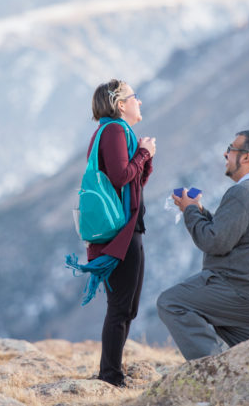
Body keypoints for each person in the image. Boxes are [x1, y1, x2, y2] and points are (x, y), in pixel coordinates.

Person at [157, 130, 249, 360]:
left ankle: (215, 373)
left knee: (171, 302)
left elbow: (213, 241)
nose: (225, 153)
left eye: (231, 149)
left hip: (246, 291)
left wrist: (190, 210)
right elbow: (230, 231)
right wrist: (199, 212)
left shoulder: (243, 192)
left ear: (246, 157)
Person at [71, 79, 156, 387]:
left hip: (127, 227)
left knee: (127, 306)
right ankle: (110, 377)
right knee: (121, 306)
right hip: (121, 232)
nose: (139, 102)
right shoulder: (115, 131)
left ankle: (112, 372)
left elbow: (130, 186)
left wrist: (144, 157)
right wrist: (144, 153)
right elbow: (121, 176)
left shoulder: (114, 132)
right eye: (135, 97)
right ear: (121, 105)